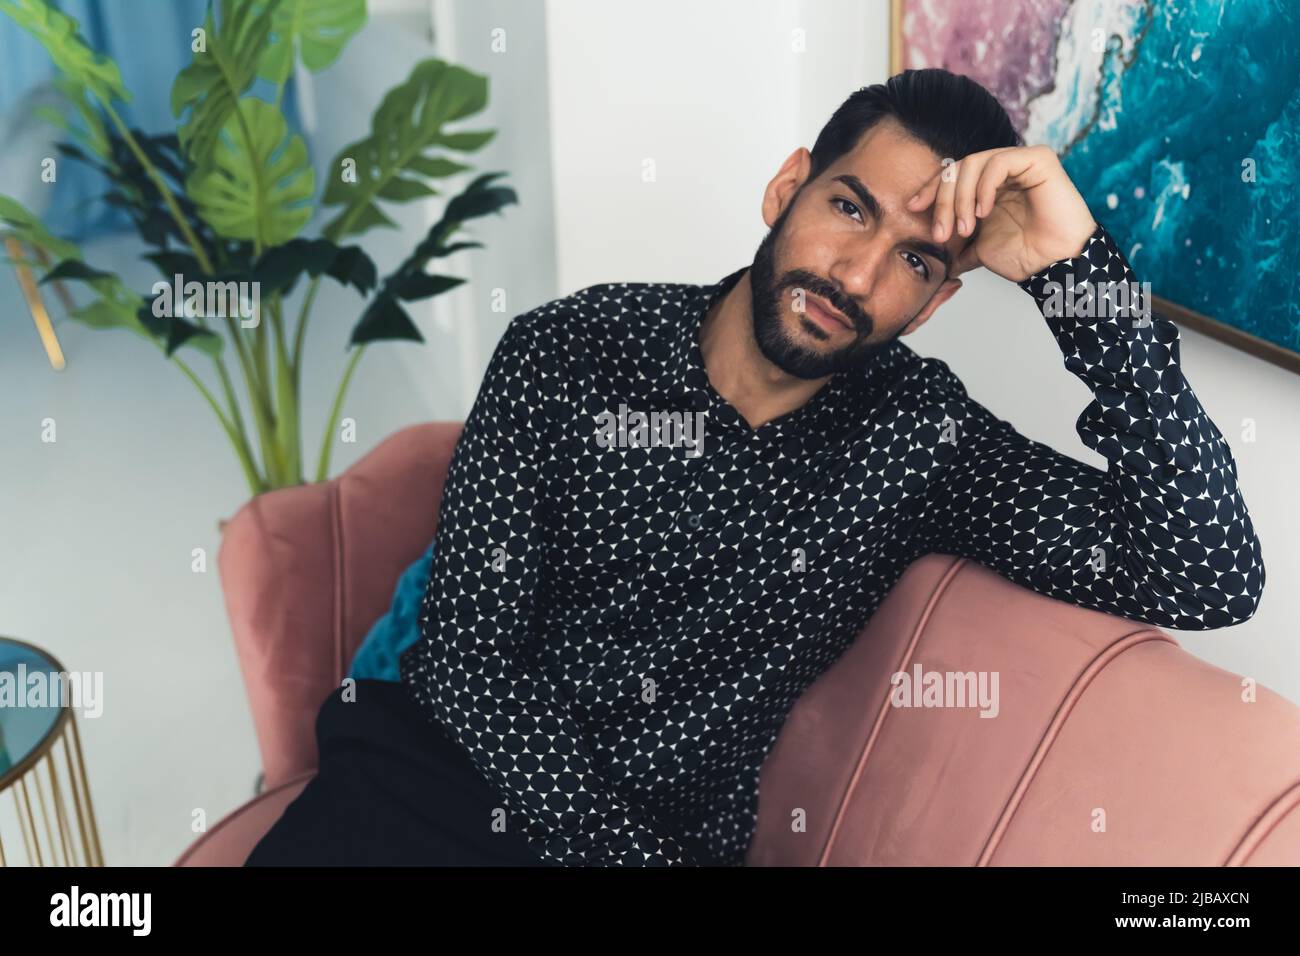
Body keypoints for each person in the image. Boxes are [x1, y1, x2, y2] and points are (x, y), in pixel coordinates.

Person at [245, 68, 1265, 868]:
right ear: (788, 187)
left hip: (663, 833)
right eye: (851, 207)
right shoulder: (570, 350)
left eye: (917, 260)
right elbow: (467, 657)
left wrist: (1078, 279)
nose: (858, 275)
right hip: (437, 779)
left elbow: (1205, 570)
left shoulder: (918, 439)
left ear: (938, 303)